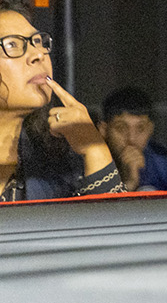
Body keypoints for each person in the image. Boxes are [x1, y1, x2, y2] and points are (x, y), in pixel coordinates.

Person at [0, 10, 121, 201]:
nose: (38, 54)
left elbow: (113, 218)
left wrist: (95, 150)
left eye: (37, 41)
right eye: (12, 44)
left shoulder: (60, 163)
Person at [99, 85, 167, 192]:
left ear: (150, 128)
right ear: (103, 130)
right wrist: (129, 183)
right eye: (121, 128)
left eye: (140, 128)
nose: (131, 139)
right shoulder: (91, 165)